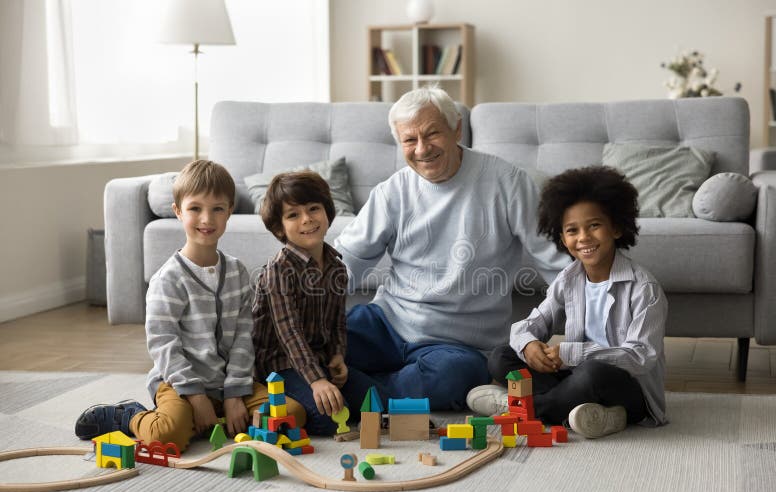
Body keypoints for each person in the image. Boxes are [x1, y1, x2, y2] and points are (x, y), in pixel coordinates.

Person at [334, 86, 569, 411]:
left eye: (432, 134)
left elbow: (554, 261)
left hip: (458, 345)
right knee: (318, 344)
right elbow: (344, 264)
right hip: (387, 322)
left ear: (456, 129)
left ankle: (348, 391)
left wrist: (596, 320)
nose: (421, 149)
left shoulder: (508, 182)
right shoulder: (392, 191)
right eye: (409, 140)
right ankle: (384, 394)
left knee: (455, 377)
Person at [75, 160, 305, 450]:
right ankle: (130, 416)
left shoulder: (237, 273)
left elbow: (244, 340)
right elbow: (163, 344)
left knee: (292, 413)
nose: (206, 219)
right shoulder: (168, 279)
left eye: (217, 209)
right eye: (195, 208)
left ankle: (217, 416)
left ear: (229, 212)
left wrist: (235, 395)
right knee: (166, 435)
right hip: (179, 383)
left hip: (229, 384)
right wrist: (195, 396)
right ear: (178, 212)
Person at [466, 166, 668, 438]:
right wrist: (528, 345)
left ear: (617, 227)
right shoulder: (568, 279)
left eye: (594, 225)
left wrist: (573, 354)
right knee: (502, 356)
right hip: (576, 380)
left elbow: (640, 357)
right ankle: (596, 416)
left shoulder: (645, 288)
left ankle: (520, 408)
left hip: (627, 391)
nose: (583, 237)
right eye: (572, 230)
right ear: (562, 238)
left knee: (592, 374)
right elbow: (532, 323)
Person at [252, 171, 379, 435]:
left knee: (375, 402)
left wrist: (337, 355)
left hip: (319, 360)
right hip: (279, 365)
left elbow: (337, 322)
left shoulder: (336, 267)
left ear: (327, 212)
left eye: (313, 209)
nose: (307, 219)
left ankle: (317, 390)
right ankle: (264, 403)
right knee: (330, 418)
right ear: (279, 227)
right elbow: (290, 335)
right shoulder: (279, 270)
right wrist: (317, 381)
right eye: (293, 215)